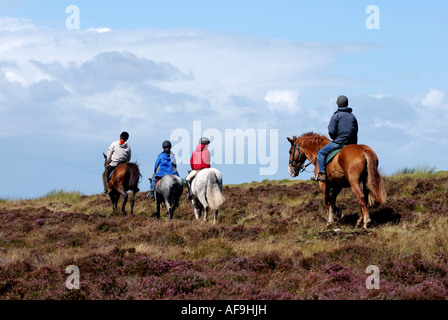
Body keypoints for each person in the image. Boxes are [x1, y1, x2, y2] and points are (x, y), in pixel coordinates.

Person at [312, 95, 358, 182]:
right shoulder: (353, 116)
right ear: (347, 104)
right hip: (352, 143)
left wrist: (335, 139)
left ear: (337, 104)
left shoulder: (336, 116)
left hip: (339, 142)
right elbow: (356, 131)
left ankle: (322, 174)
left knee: (321, 153)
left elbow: (331, 131)